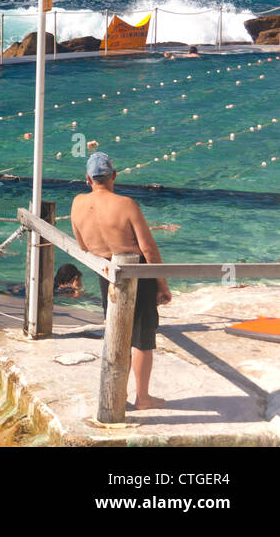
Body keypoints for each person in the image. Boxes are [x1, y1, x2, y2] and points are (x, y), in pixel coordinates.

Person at [70, 152, 172, 410]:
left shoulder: (77, 203)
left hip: (107, 276)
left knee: (118, 336)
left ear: (88, 179)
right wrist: (162, 283)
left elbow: (82, 245)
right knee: (142, 339)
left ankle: (116, 397)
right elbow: (147, 248)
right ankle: (143, 398)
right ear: (114, 175)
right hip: (138, 275)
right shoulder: (126, 204)